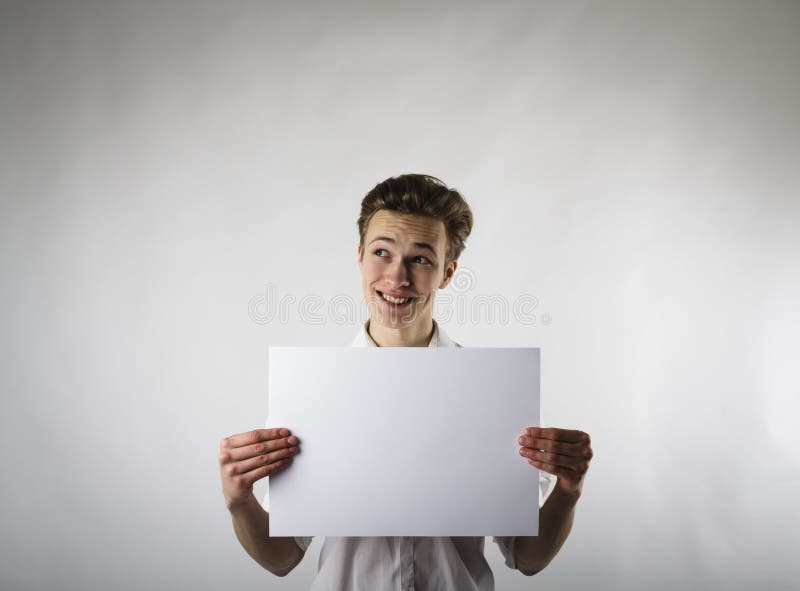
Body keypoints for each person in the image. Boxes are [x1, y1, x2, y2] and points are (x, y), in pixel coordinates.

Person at [219, 174, 593, 589]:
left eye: (420, 259)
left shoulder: (495, 392)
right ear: (360, 256)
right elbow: (283, 557)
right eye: (382, 252)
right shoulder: (311, 390)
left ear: (447, 273)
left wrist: (567, 490)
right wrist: (239, 501)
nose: (396, 278)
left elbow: (526, 557)